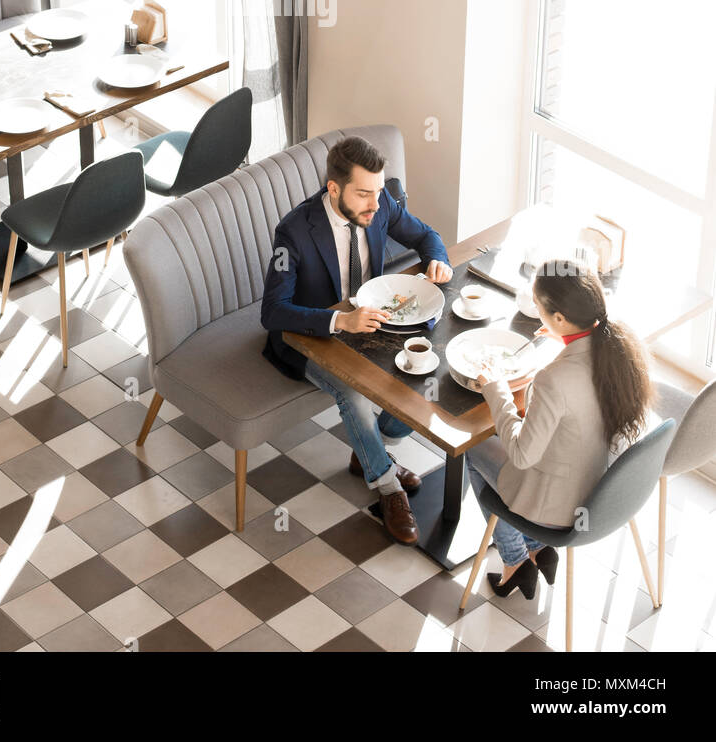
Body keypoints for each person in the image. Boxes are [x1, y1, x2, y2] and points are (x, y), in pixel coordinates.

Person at [261, 135, 453, 546]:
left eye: (379, 192)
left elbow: (428, 236)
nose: (375, 203)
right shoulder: (294, 232)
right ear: (334, 189)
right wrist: (339, 322)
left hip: (371, 326)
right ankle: (387, 487)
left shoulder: (380, 206)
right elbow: (273, 312)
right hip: (311, 336)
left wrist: (439, 260)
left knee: (430, 366)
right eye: (364, 193)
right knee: (355, 393)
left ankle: (372, 450)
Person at [466, 260, 652, 598]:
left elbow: (523, 455)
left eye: (538, 307)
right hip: (599, 494)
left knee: (472, 448)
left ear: (561, 318)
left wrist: (497, 390)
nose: (536, 311)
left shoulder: (553, 380)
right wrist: (562, 338)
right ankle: (537, 548)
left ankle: (515, 561)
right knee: (502, 435)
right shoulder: (617, 346)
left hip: (559, 507)